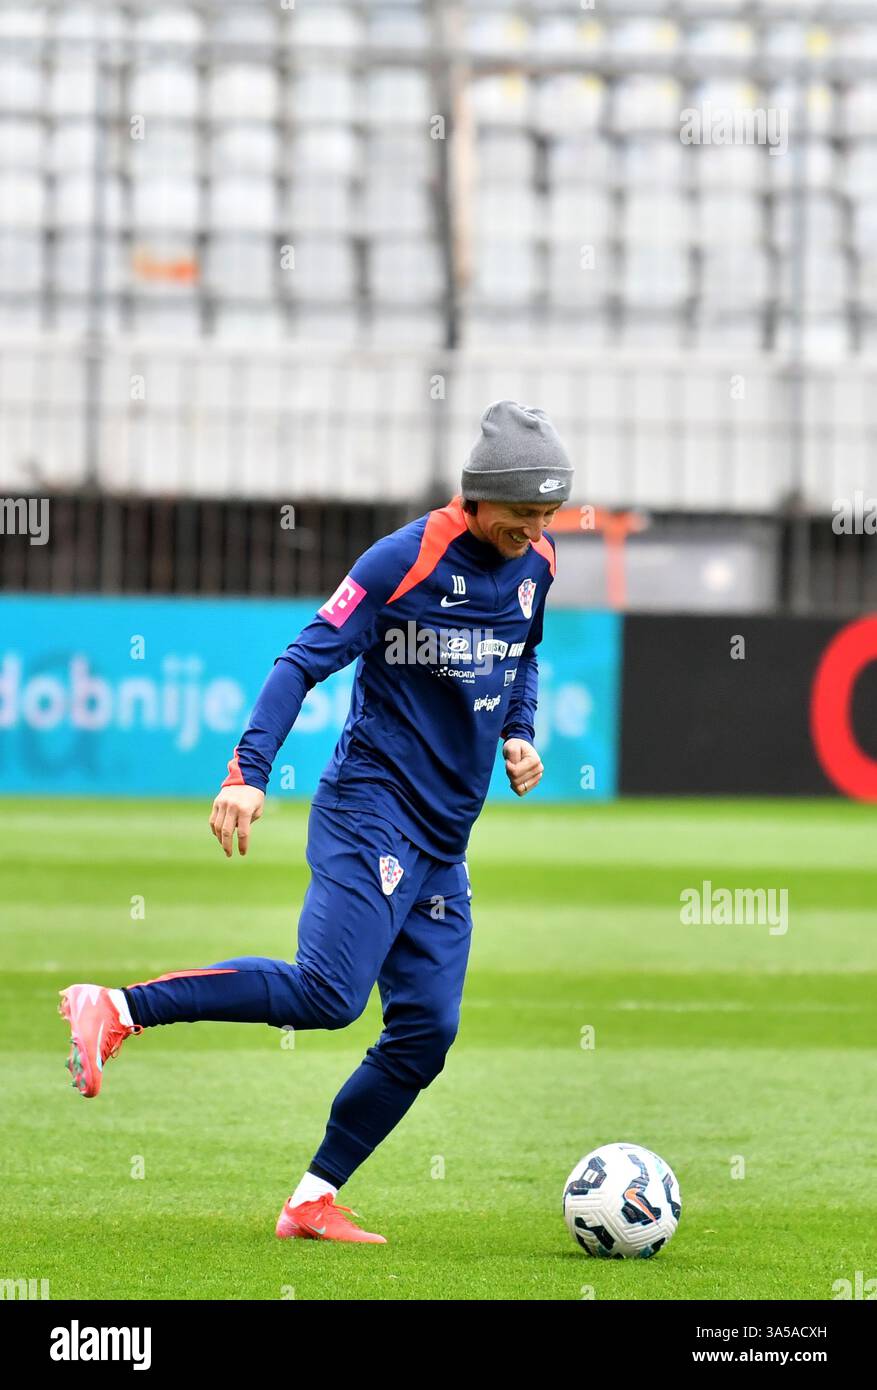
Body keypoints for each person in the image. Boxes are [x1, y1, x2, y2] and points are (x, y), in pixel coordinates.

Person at [58, 401, 574, 1244]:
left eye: (549, 512)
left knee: (426, 1033)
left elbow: (523, 656)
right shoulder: (400, 562)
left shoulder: (537, 562)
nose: (538, 526)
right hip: (371, 811)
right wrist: (247, 773)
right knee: (329, 995)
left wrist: (518, 731)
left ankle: (311, 1201)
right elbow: (300, 662)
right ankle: (119, 1008)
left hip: (443, 842)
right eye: (524, 509)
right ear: (477, 495)